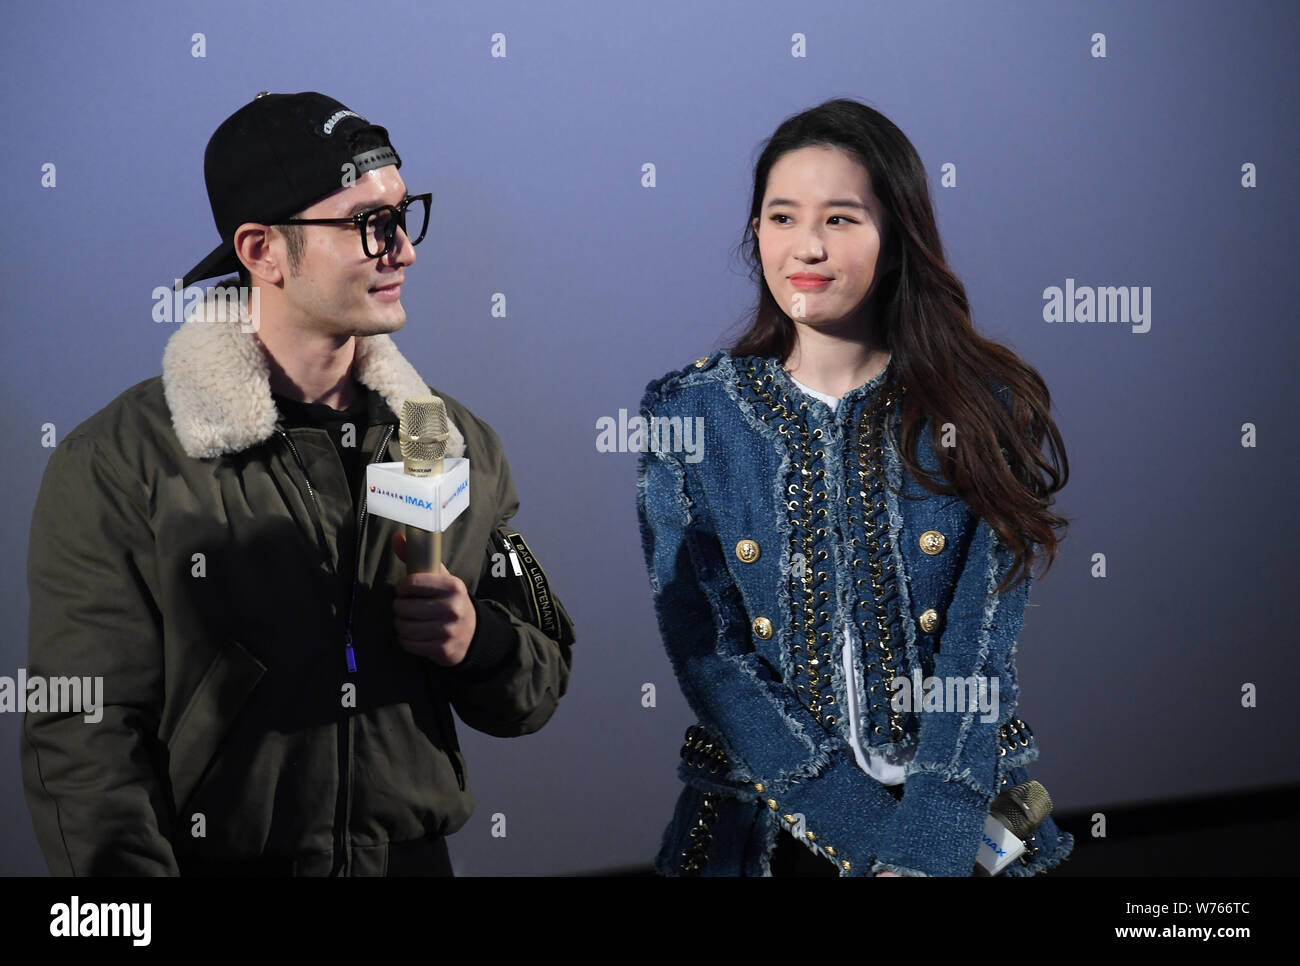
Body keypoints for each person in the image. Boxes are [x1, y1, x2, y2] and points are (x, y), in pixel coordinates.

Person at [21, 91, 575, 876]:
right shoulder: (122, 462)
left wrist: (474, 641)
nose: (403, 251)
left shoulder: (449, 441)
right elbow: (83, 742)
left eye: (403, 213)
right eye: (367, 225)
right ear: (261, 250)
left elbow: (539, 685)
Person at [637, 98, 1074, 877]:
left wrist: (927, 846)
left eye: (841, 218)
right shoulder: (691, 415)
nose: (806, 245)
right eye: (781, 217)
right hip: (759, 837)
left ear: (897, 237)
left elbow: (976, 654)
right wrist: (863, 832)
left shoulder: (981, 408)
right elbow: (708, 650)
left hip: (960, 825)